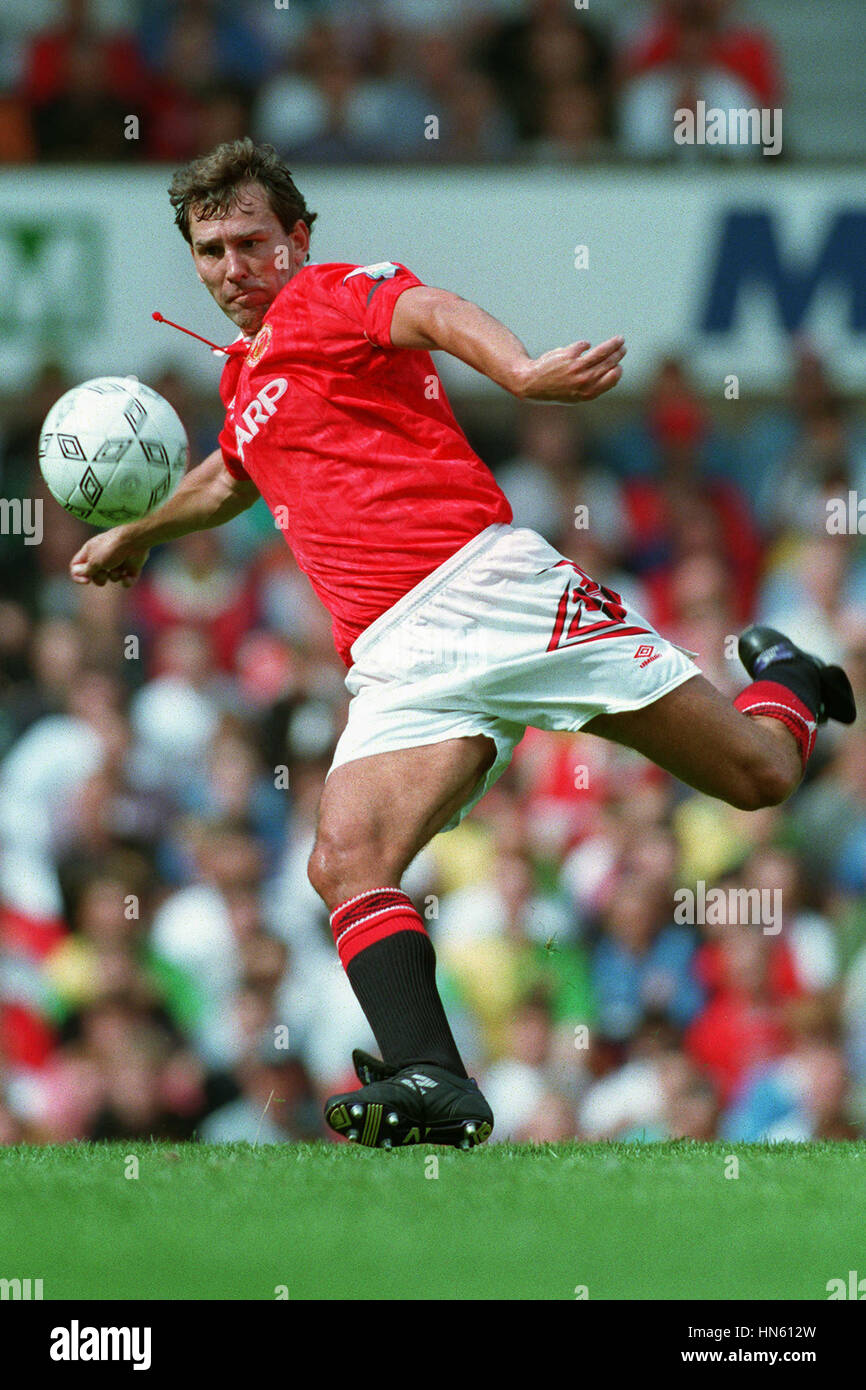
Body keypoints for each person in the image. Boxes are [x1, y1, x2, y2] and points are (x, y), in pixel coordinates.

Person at [69, 139, 855, 1150]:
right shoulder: (242, 381)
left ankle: (786, 680)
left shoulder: (328, 294)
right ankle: (434, 1076)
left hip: (488, 594)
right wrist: (139, 532)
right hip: (395, 662)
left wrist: (521, 371)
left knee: (755, 778)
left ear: (296, 237)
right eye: (211, 251)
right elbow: (230, 476)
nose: (234, 269)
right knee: (343, 858)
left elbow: (432, 311)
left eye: (252, 242)